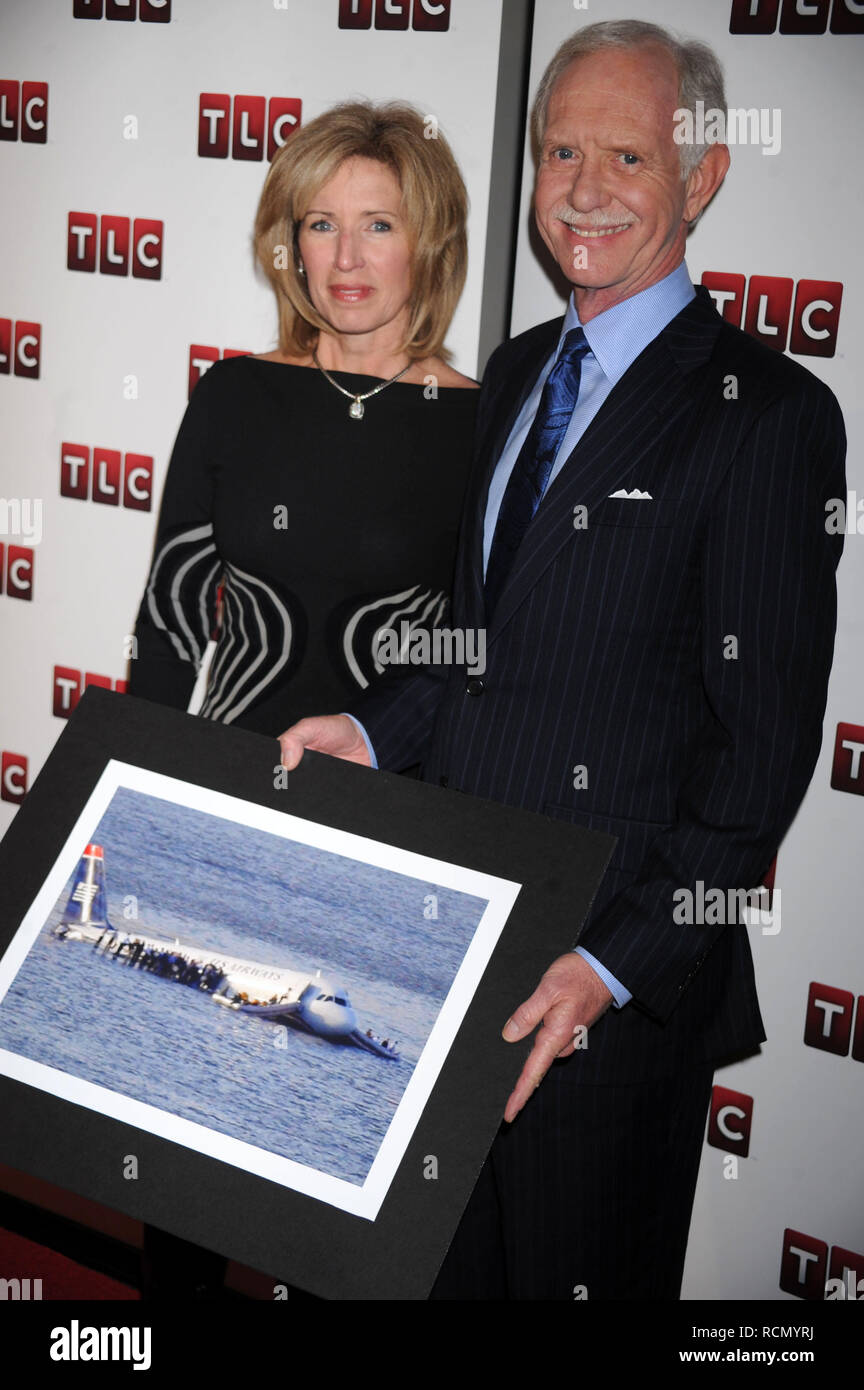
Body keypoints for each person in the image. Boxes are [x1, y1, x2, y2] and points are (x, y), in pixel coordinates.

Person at [278, 20, 846, 1300]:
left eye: (628, 156)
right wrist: (369, 731)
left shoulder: (771, 416)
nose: (584, 188)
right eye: (560, 151)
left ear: (701, 180)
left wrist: (612, 965)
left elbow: (762, 755)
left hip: (611, 995)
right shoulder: (523, 369)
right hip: (454, 944)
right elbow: (486, 641)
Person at [128, 101, 478, 735]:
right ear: (292, 245)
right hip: (230, 778)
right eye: (321, 224)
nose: (346, 258)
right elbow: (170, 622)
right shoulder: (235, 395)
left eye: (378, 225)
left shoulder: (480, 423)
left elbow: (474, 655)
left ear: (429, 242)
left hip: (389, 797)